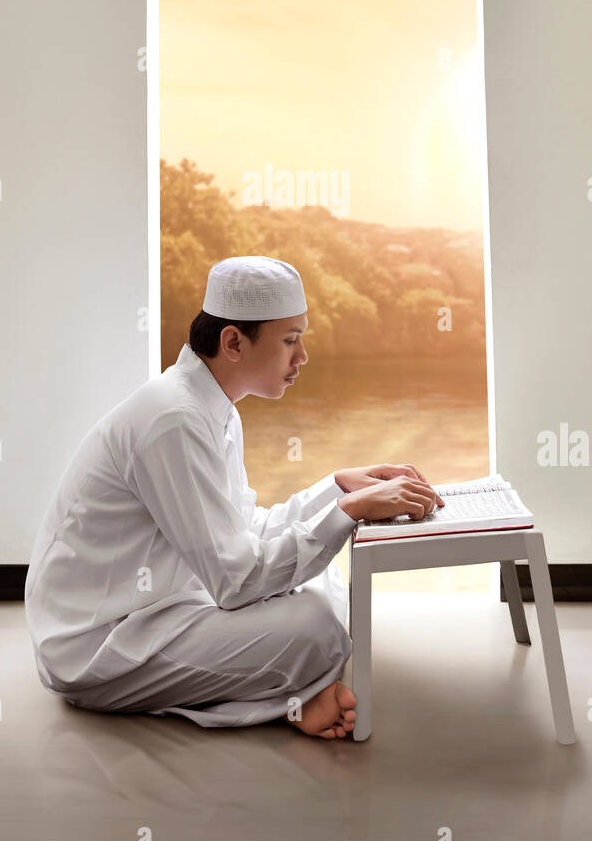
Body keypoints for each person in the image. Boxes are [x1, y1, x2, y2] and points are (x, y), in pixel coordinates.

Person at [24, 255, 439, 739]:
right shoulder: (173, 419)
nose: (301, 357)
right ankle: (293, 698)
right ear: (233, 342)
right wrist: (347, 513)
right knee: (315, 627)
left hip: (166, 602)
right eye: (290, 340)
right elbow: (236, 581)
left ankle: (300, 690)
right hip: (97, 642)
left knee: (322, 577)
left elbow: (245, 531)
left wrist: (338, 488)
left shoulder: (212, 409)